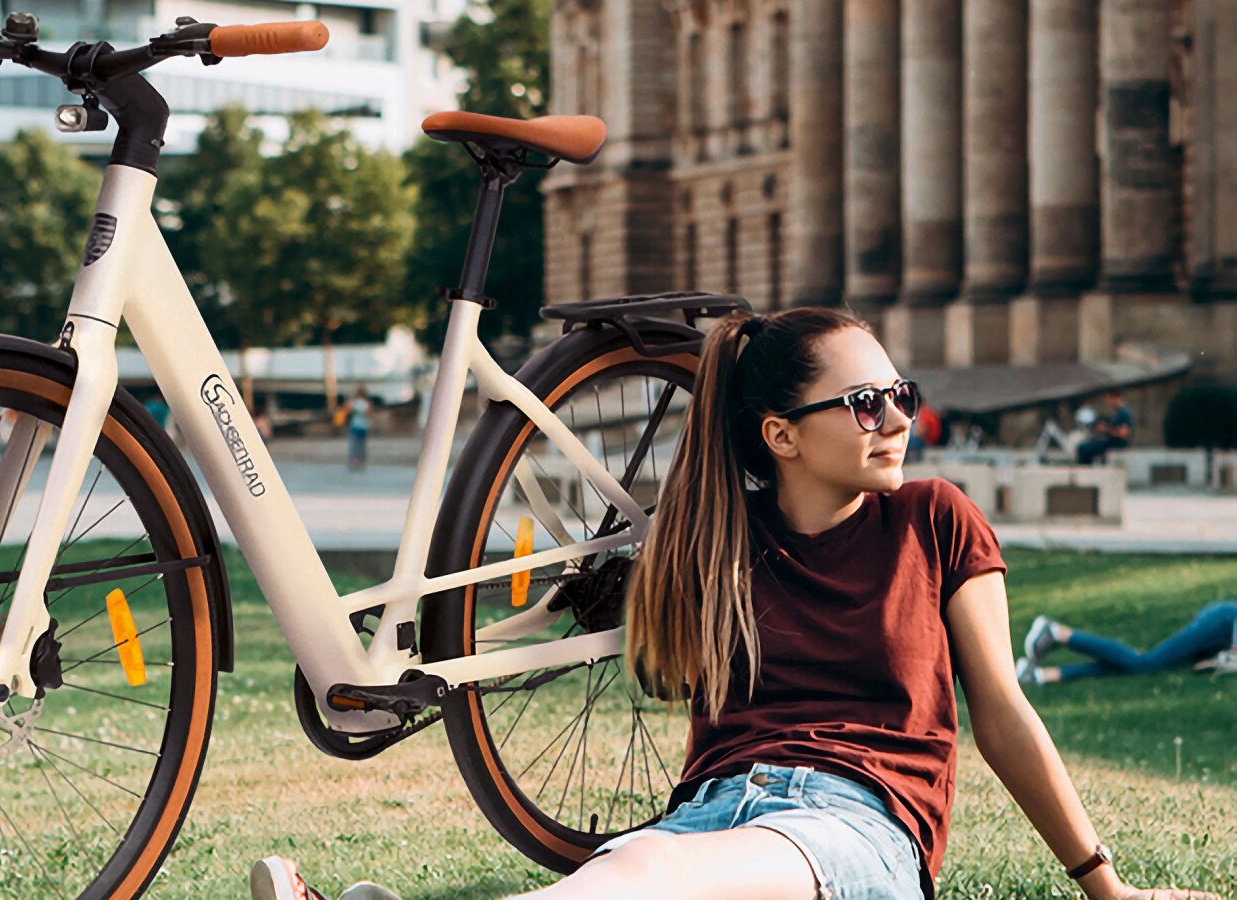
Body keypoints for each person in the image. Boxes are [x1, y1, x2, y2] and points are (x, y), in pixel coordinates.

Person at [251, 309, 1218, 900]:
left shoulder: (936, 520)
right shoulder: (716, 539)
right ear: (781, 436)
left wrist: (1105, 883)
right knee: (641, 878)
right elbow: (561, 627)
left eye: (898, 394)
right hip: (710, 810)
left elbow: (1002, 713)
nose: (896, 420)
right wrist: (395, 668)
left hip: (860, 829)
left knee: (641, 881)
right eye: (864, 403)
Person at [1016, 601, 1237, 686]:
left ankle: (1038, 676)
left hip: (1224, 635)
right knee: (1144, 663)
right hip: (1224, 624)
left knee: (1140, 667)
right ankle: (1057, 634)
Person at [1076, 390, 1132, 465]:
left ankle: (1085, 471)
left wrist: (1105, 429)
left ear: (1114, 397)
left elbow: (1123, 433)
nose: (1108, 402)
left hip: (1115, 444)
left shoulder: (1124, 412)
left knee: (1083, 449)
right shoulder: (1118, 412)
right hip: (1112, 441)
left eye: (1109, 399)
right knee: (1087, 444)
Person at [346, 385, 370, 471]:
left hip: (357, 425)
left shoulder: (356, 403)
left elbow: (348, 410)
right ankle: (359, 461)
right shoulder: (365, 403)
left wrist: (354, 409)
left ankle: (356, 461)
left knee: (356, 445)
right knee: (360, 445)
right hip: (361, 425)